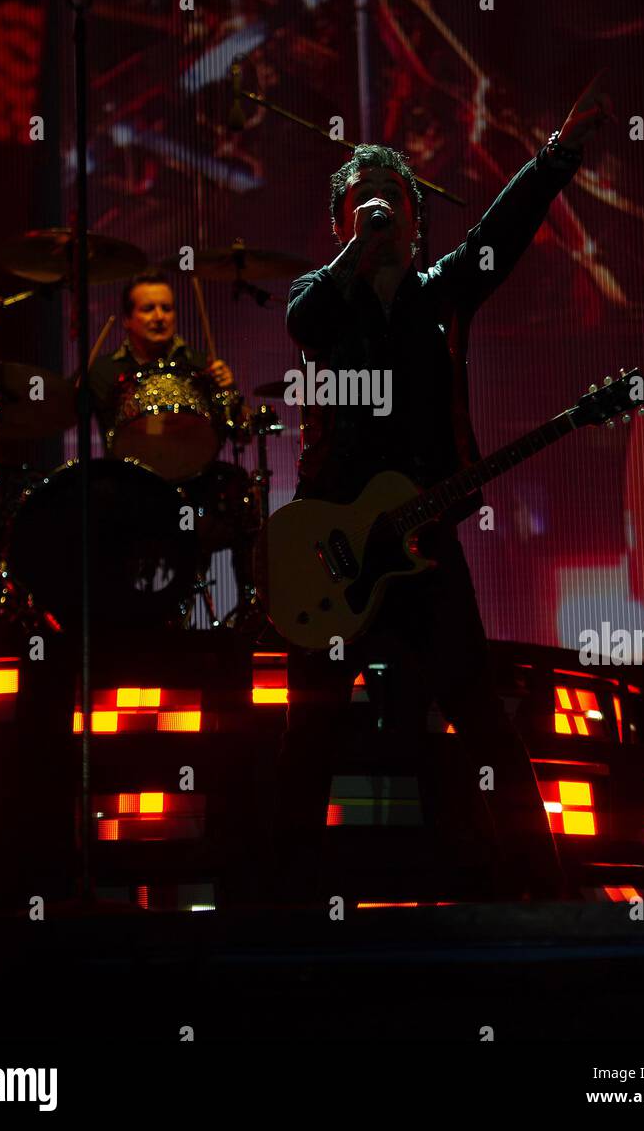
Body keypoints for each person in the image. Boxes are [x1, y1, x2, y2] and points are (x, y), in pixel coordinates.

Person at [272, 75, 614, 902]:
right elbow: (304, 323)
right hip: (334, 551)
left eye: (393, 200)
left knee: (480, 716)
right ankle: (275, 905)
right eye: (363, 203)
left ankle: (547, 897)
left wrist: (555, 158)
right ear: (338, 221)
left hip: (424, 548)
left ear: (418, 220)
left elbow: (503, 230)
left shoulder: (440, 295)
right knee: (308, 730)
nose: (380, 213)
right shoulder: (323, 300)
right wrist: (358, 248)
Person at [89, 269, 259, 623]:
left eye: (166, 308)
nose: (159, 317)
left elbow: (240, 429)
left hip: (194, 484)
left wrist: (229, 391)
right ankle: (112, 619)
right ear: (127, 320)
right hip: (130, 486)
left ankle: (251, 615)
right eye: (148, 309)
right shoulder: (104, 371)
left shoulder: (200, 365)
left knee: (242, 489)